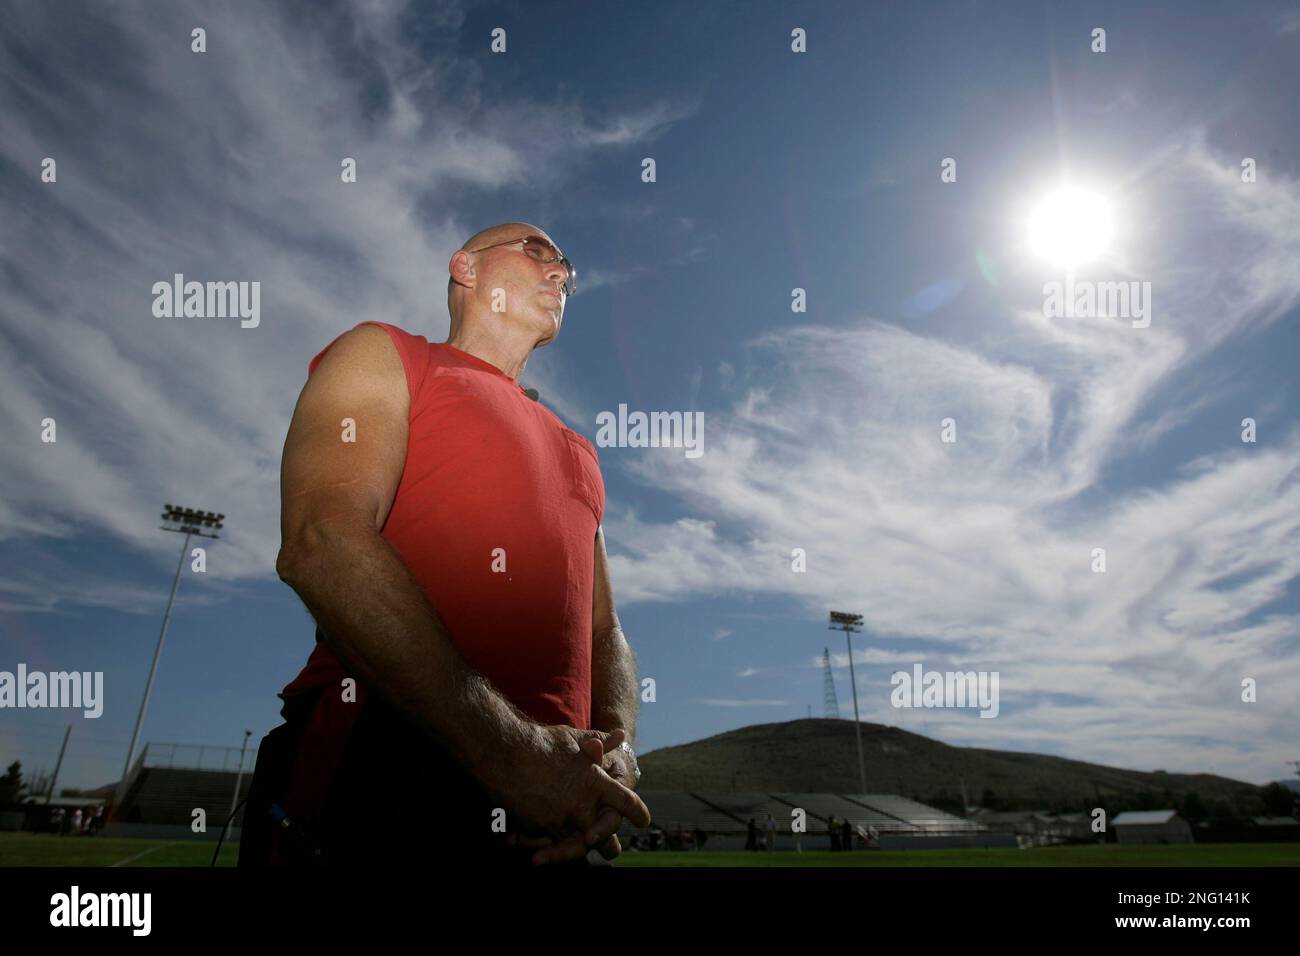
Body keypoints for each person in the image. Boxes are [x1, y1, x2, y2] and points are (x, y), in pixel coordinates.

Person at [241, 223, 651, 869]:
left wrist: (616, 751)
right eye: (536, 252)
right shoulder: (388, 355)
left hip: (556, 807)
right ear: (465, 268)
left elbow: (607, 630)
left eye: (566, 267)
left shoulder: (582, 451)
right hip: (385, 763)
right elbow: (321, 542)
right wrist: (509, 754)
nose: (560, 272)